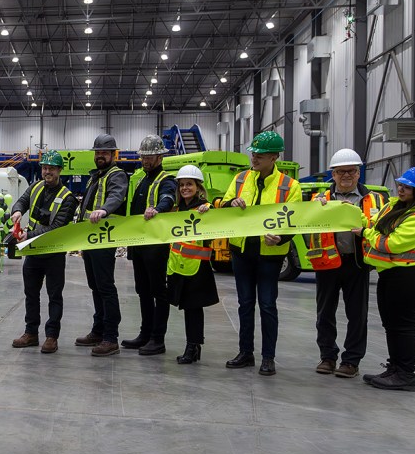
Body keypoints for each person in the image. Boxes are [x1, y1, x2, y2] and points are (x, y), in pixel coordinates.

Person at [219, 130, 302, 376]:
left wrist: (281, 238)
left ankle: (268, 357)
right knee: (245, 304)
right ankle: (246, 353)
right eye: (253, 153)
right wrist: (230, 203)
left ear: (274, 157)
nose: (254, 158)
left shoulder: (290, 186)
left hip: (270, 254)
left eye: (260, 155)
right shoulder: (240, 179)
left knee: (267, 305)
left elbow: (295, 221)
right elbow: (223, 204)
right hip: (242, 250)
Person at [358, 166, 415, 391]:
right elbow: (373, 224)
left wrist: (366, 233)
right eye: (401, 185)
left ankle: (406, 375)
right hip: (390, 274)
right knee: (391, 326)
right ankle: (394, 368)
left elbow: (392, 243)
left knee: (402, 327)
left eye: (407, 187)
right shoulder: (396, 206)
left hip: (408, 277)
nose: (401, 189)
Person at [307, 149, 387, 378]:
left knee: (357, 315)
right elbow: (305, 226)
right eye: (341, 171)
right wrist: (316, 209)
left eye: (351, 171)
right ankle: (327, 357)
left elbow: (383, 227)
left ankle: (351, 361)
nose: (346, 175)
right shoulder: (318, 199)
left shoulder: (375, 199)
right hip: (327, 261)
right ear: (333, 174)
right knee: (324, 313)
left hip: (358, 263)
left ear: (358, 173)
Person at [9, 150, 79, 354]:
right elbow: (22, 201)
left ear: (59, 170)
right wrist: (17, 211)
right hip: (33, 253)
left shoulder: (68, 198)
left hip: (54, 255)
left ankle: (51, 336)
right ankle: (31, 333)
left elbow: (56, 227)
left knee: (54, 295)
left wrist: (28, 235)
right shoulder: (36, 187)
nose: (47, 172)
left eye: (51, 169)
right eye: (45, 168)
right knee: (31, 294)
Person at [74, 133, 130, 357]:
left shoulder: (117, 175)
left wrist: (104, 210)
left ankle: (110, 337)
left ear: (113, 154)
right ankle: (98, 331)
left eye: (105, 153)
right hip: (89, 239)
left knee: (105, 287)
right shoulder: (95, 176)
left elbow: (116, 196)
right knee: (95, 286)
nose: (100, 156)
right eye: (98, 153)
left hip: (104, 239)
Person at [123, 134, 177, 355]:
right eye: (143, 157)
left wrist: (157, 209)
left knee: (158, 292)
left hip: (155, 247)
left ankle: (157, 339)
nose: (145, 160)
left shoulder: (166, 179)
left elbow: (168, 198)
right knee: (143, 291)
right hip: (139, 245)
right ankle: (145, 334)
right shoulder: (142, 179)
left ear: (160, 157)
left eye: (149, 157)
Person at [166, 166, 218, 364]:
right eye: (181, 185)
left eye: (189, 184)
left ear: (198, 187)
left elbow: (218, 221)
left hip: (197, 267)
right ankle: (193, 347)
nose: (185, 188)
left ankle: (193, 347)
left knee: (193, 308)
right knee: (188, 308)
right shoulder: (177, 210)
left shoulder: (205, 208)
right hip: (179, 265)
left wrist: (209, 210)